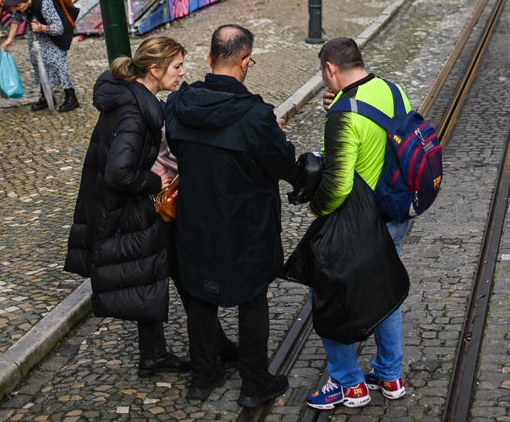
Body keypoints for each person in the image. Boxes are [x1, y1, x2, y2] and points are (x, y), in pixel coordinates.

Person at [164, 25, 295, 407]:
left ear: (208, 59)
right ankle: (255, 383)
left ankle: (204, 376)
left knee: (200, 297)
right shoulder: (255, 116)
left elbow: (181, 147)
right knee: (252, 300)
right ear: (244, 62)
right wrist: (272, 135)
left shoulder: (178, 104)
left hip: (196, 220)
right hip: (245, 224)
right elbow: (282, 163)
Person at [64, 35, 191, 379]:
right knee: (148, 270)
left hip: (112, 204)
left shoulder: (129, 97)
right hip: (125, 206)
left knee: (144, 273)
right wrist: (154, 183)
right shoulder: (136, 112)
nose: (182, 73)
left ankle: (154, 355)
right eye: (177, 66)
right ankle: (156, 356)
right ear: (154, 69)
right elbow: (119, 171)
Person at [305, 37, 413, 410]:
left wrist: (317, 209)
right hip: (396, 211)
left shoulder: (343, 114)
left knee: (329, 293)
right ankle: (390, 374)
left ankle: (349, 383)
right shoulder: (392, 90)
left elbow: (337, 185)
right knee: (386, 291)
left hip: (359, 222)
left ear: (330, 69)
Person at [1, 0, 78, 112]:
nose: (17, 8)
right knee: (38, 62)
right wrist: (10, 39)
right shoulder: (21, 6)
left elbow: (58, 28)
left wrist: (42, 28)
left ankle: (71, 97)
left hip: (54, 34)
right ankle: (46, 97)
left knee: (58, 63)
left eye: (19, 5)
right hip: (36, 34)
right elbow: (15, 19)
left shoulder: (44, 3)